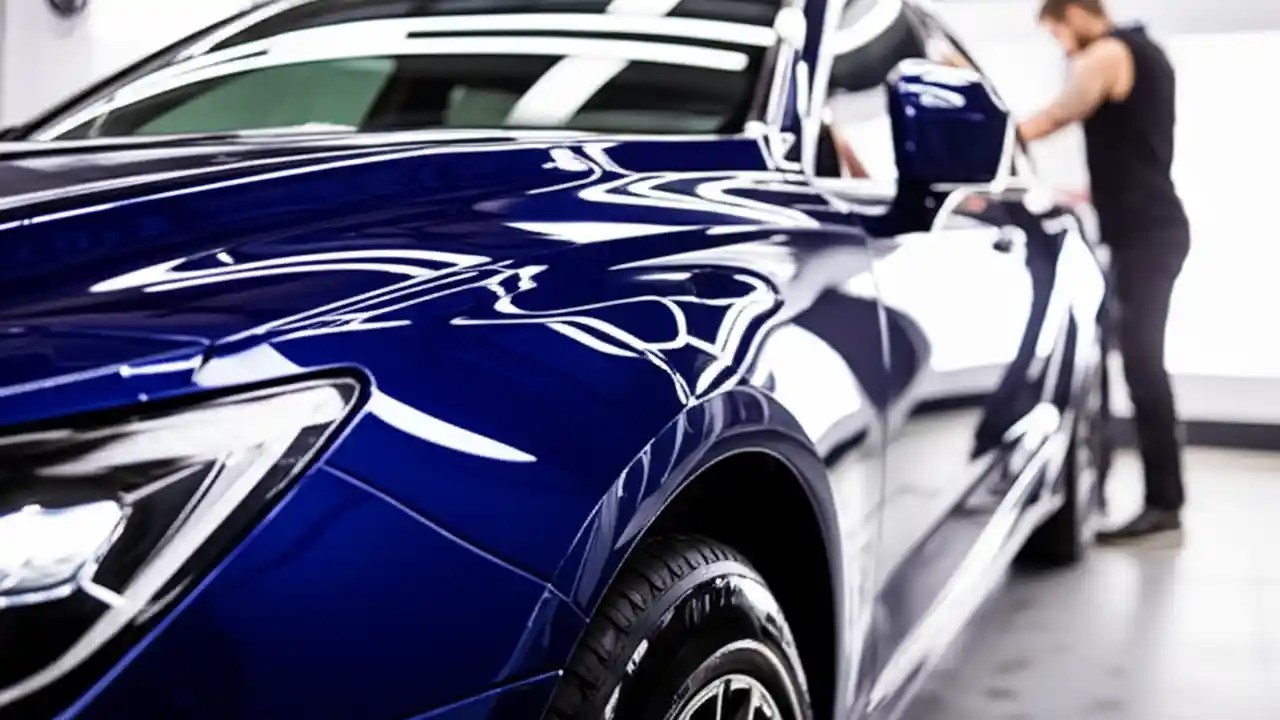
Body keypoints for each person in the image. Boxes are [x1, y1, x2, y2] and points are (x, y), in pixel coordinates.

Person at [1020, 0, 1190, 543]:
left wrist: (995, 137)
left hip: (1149, 236)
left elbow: (1052, 117)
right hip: (1145, 228)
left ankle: (1164, 504)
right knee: (1120, 356)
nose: (1060, 46)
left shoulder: (1107, 52)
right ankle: (1110, 475)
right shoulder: (1146, 53)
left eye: (1055, 33)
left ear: (1073, 12)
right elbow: (1134, 153)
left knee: (1142, 363)